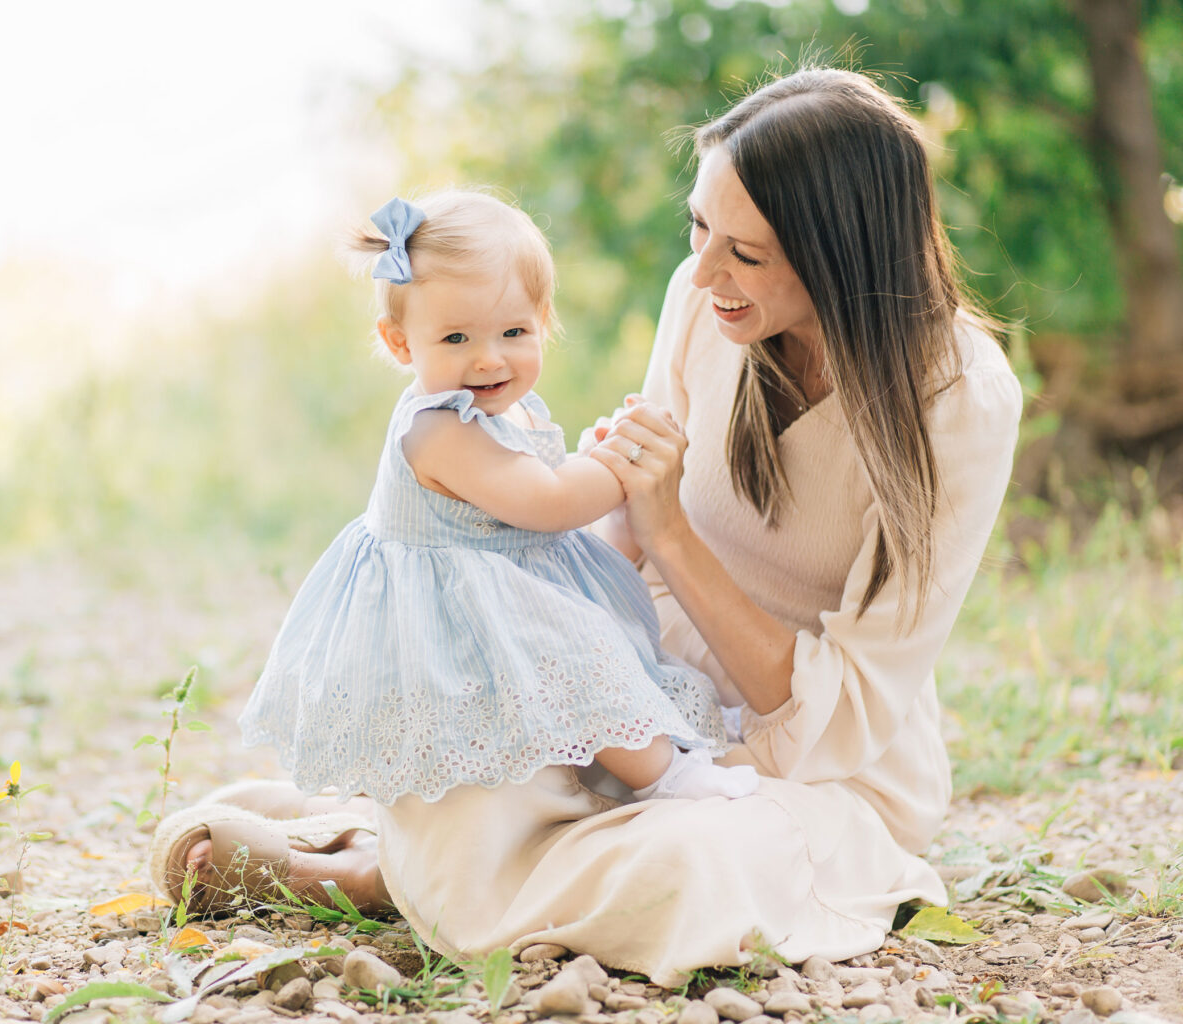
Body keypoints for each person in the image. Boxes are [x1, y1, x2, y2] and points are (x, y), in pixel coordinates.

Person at [148, 67, 1022, 978]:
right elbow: (613, 546)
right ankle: (421, 849)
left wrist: (670, 533)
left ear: (842, 255)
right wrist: (572, 673)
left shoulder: (960, 400)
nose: (704, 273)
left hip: (819, 755)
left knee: (695, 865)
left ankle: (366, 872)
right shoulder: (706, 298)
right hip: (655, 695)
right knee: (501, 752)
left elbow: (850, 702)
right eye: (699, 228)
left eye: (746, 254)